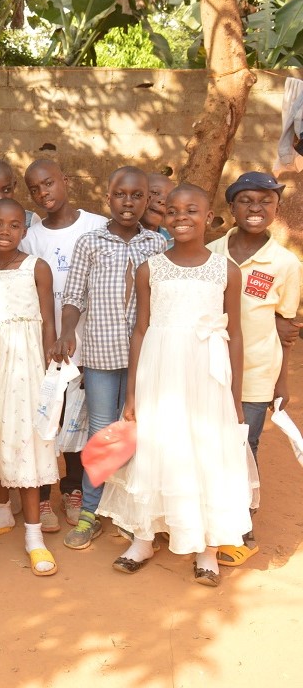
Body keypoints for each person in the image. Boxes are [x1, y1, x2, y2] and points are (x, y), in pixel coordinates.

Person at [97, 184, 258, 587]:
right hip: (160, 371)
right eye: (172, 211)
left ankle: (206, 547)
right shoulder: (151, 267)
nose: (181, 217)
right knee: (158, 447)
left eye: (192, 210)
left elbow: (235, 334)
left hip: (206, 375)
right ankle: (145, 537)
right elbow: (140, 330)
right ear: (164, 218)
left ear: (210, 217)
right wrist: (132, 393)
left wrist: (234, 397)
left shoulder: (226, 271)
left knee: (204, 450)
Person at [51, 167, 167, 550]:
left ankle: (134, 513)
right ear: (108, 197)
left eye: (137, 195)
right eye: (121, 195)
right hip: (101, 355)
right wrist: (67, 330)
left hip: (145, 356)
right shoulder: (91, 242)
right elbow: (74, 297)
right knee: (103, 433)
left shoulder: (156, 245)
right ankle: (90, 512)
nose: (129, 203)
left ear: (148, 200)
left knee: (137, 431)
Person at [208, 171, 302, 566]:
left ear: (276, 209)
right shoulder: (210, 252)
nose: (256, 208)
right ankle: (207, 520)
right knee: (208, 442)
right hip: (210, 366)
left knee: (246, 444)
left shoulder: (285, 263)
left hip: (257, 371)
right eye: (247, 200)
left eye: (266, 201)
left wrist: (281, 382)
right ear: (231, 208)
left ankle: (242, 527)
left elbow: (285, 328)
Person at [0, 199, 59, 576]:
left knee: (24, 437)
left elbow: (48, 320)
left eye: (15, 225)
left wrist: (51, 363)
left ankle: (34, 534)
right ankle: (2, 513)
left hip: (25, 365)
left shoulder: (37, 267)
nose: (5, 231)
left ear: (24, 229)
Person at [21, 158, 107, 531]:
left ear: (65, 179)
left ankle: (73, 490)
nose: (43, 193)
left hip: (90, 342)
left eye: (49, 183)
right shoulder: (32, 238)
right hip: (47, 346)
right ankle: (41, 497)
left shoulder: (97, 227)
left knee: (78, 420)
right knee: (47, 418)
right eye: (35, 189)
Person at [142, 173, 175, 246]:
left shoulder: (172, 244)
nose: (163, 201)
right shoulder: (113, 237)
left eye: (169, 198)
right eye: (155, 192)